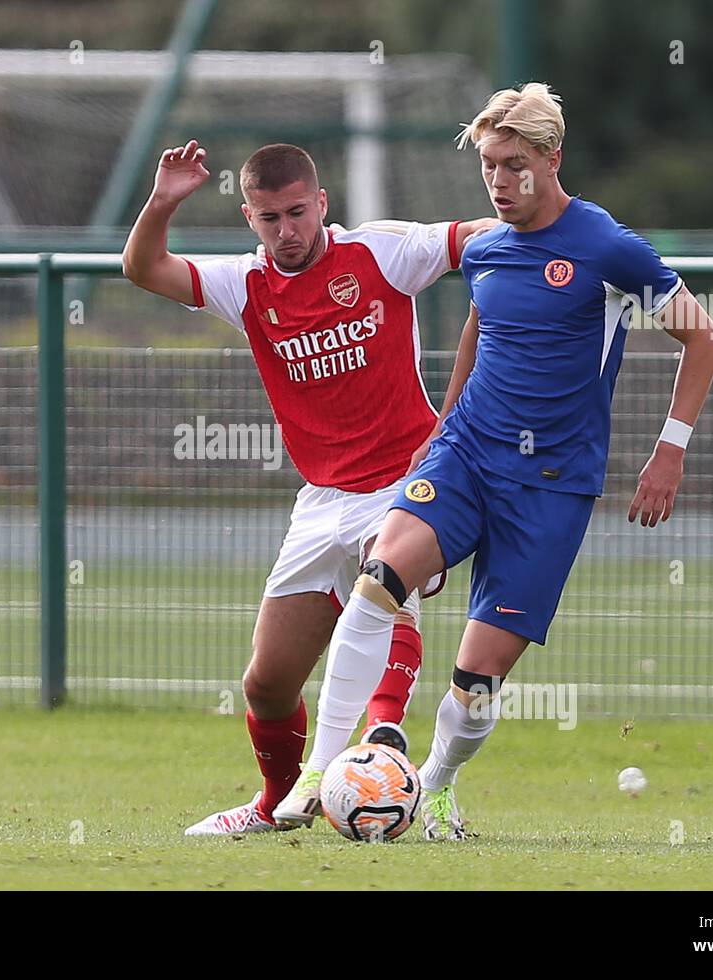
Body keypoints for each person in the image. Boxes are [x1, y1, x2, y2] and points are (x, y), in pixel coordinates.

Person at [273, 83, 713, 838]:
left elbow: (704, 336)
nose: (500, 182)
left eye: (515, 165)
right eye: (489, 166)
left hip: (553, 487)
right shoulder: (484, 249)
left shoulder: (607, 246)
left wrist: (667, 455)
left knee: (475, 685)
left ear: (552, 158)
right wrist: (440, 430)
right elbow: (481, 331)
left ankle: (438, 783)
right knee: (380, 577)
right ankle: (318, 772)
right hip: (467, 456)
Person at [123, 138, 495, 834]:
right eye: (270, 218)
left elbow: (477, 235)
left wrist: (540, 232)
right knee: (265, 684)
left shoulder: (380, 254)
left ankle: (383, 747)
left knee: (388, 595)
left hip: (408, 483)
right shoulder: (247, 284)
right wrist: (162, 202)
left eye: (298, 213)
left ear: (322, 203)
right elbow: (142, 268)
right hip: (321, 499)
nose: (287, 231)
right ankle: (275, 805)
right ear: (249, 217)